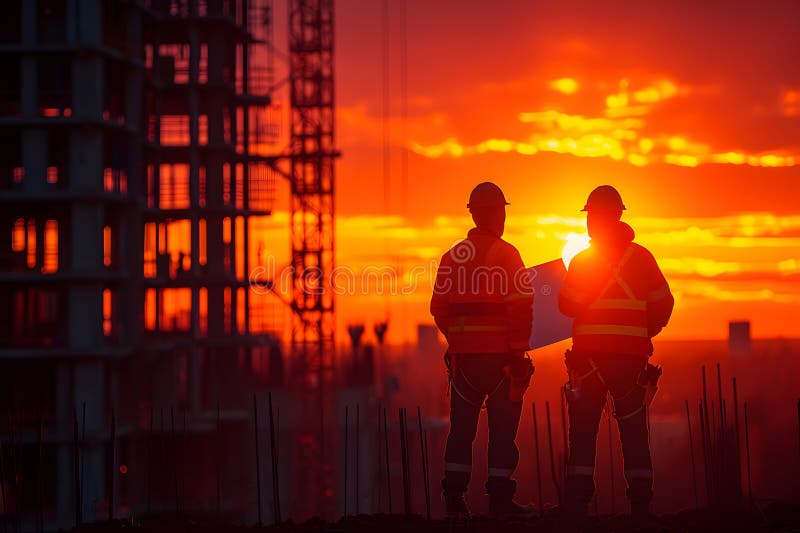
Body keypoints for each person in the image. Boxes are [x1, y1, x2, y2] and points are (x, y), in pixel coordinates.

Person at [558, 185, 674, 524]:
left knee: (583, 431)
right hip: (630, 361)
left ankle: (578, 504)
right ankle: (640, 505)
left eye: (591, 216)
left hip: (589, 362)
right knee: (634, 432)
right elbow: (664, 304)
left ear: (598, 218)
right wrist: (642, 333)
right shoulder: (641, 259)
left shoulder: (584, 261)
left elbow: (567, 305)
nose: (588, 222)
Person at [430, 182, 535, 518]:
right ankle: (500, 501)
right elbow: (521, 307)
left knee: (461, 432)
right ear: (496, 214)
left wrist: (458, 340)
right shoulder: (507, 255)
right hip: (502, 362)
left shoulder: (452, 257)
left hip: (465, 365)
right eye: (502, 212)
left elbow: (438, 308)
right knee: (502, 432)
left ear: (474, 214)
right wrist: (517, 354)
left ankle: (454, 499)